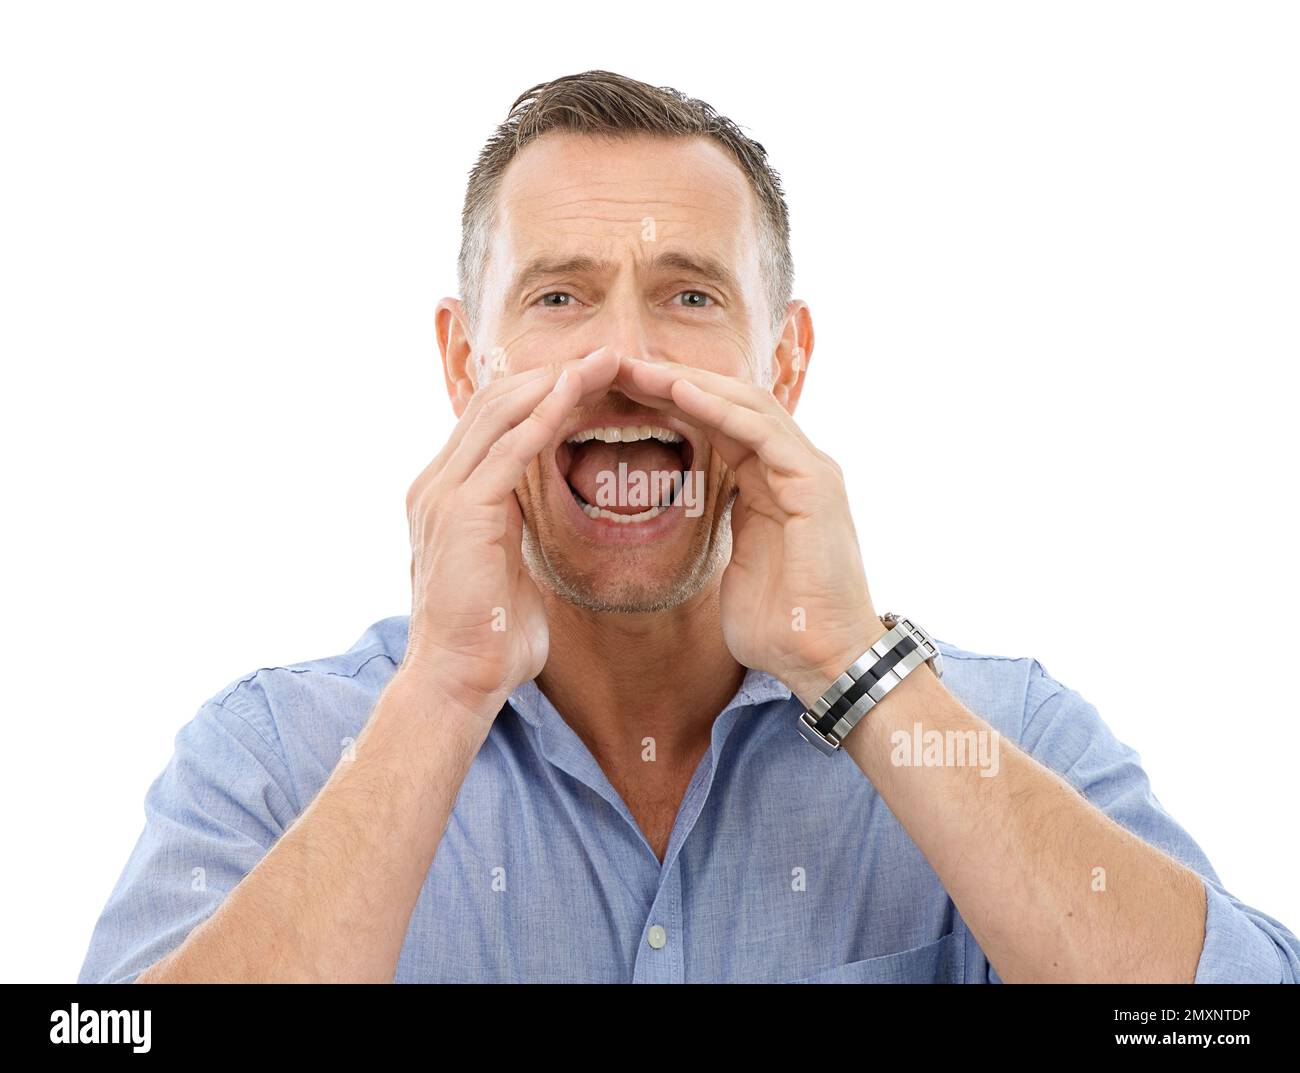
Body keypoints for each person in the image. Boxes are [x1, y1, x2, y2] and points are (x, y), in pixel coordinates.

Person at [79, 70, 1299, 983]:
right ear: (465, 360)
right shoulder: (271, 760)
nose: (626, 358)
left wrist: (853, 670)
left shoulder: (994, 734)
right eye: (559, 296)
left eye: (690, 297)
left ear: (786, 358)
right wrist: (444, 691)